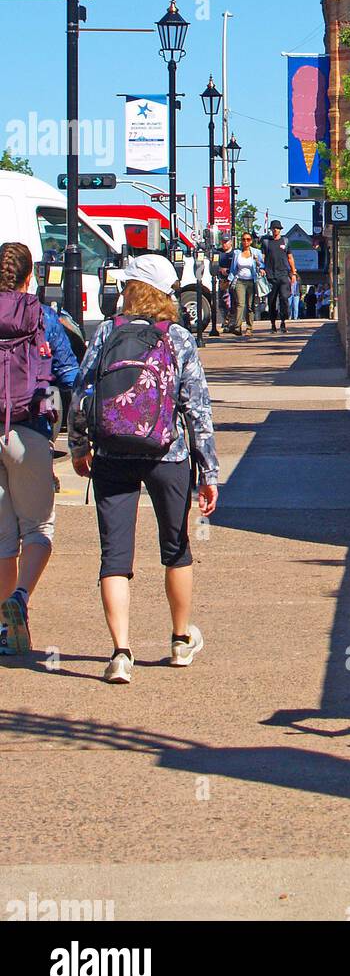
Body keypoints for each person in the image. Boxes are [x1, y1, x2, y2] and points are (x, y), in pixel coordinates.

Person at [68, 254, 219, 684]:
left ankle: (120, 653)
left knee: (114, 554)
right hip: (166, 455)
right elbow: (197, 409)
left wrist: (80, 446)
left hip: (113, 454)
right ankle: (179, 641)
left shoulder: (106, 334)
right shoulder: (177, 338)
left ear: (130, 289)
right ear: (168, 293)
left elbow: (82, 395)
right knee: (175, 547)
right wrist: (209, 472)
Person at [0, 241, 80, 655]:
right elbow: (70, 375)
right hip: (30, 431)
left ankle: (5, 630)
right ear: (30, 276)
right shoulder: (43, 318)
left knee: (1, 537)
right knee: (38, 530)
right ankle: (20, 599)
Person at [262, 220, 297, 333]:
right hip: (271, 275)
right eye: (274, 228)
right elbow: (263, 257)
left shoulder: (285, 241)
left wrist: (293, 273)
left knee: (284, 298)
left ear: (280, 230)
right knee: (271, 301)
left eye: (277, 228)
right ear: (271, 230)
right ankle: (273, 323)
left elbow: (290, 257)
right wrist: (262, 268)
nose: (276, 230)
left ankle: (283, 321)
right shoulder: (266, 242)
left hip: (283, 274)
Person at [230, 231, 263, 338]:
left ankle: (249, 328)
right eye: (244, 239)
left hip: (251, 281)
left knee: (250, 305)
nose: (246, 241)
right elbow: (233, 269)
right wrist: (229, 280)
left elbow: (262, 265)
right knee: (240, 304)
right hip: (239, 280)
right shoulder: (237, 253)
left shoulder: (256, 252)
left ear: (251, 241)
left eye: (248, 239)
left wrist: (259, 264)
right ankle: (237, 327)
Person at [216, 236, 236, 333]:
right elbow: (214, 264)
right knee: (222, 303)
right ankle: (225, 322)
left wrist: (229, 271)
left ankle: (231, 323)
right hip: (222, 281)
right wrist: (220, 269)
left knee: (232, 303)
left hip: (233, 281)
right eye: (223, 242)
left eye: (226, 242)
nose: (224, 244)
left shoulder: (235, 253)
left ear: (231, 242)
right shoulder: (218, 252)